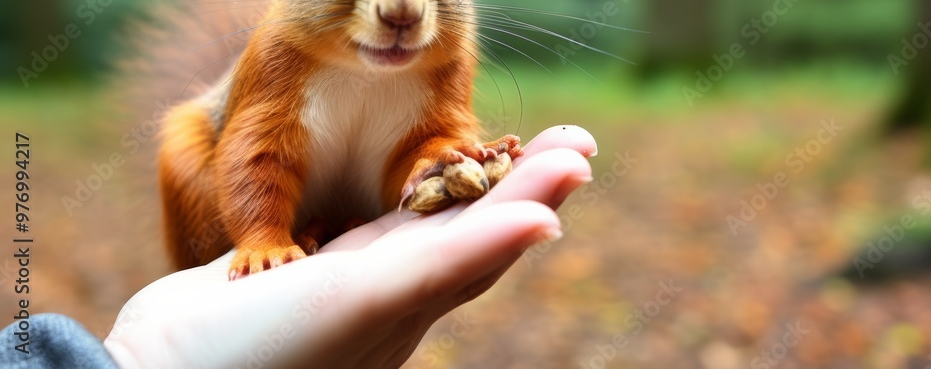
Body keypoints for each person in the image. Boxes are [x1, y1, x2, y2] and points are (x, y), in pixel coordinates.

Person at [1, 126, 596, 368]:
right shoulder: (287, 51)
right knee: (184, 141)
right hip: (250, 218)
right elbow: (252, 149)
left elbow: (428, 135)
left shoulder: (447, 49)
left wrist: (447, 156)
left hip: (361, 221)